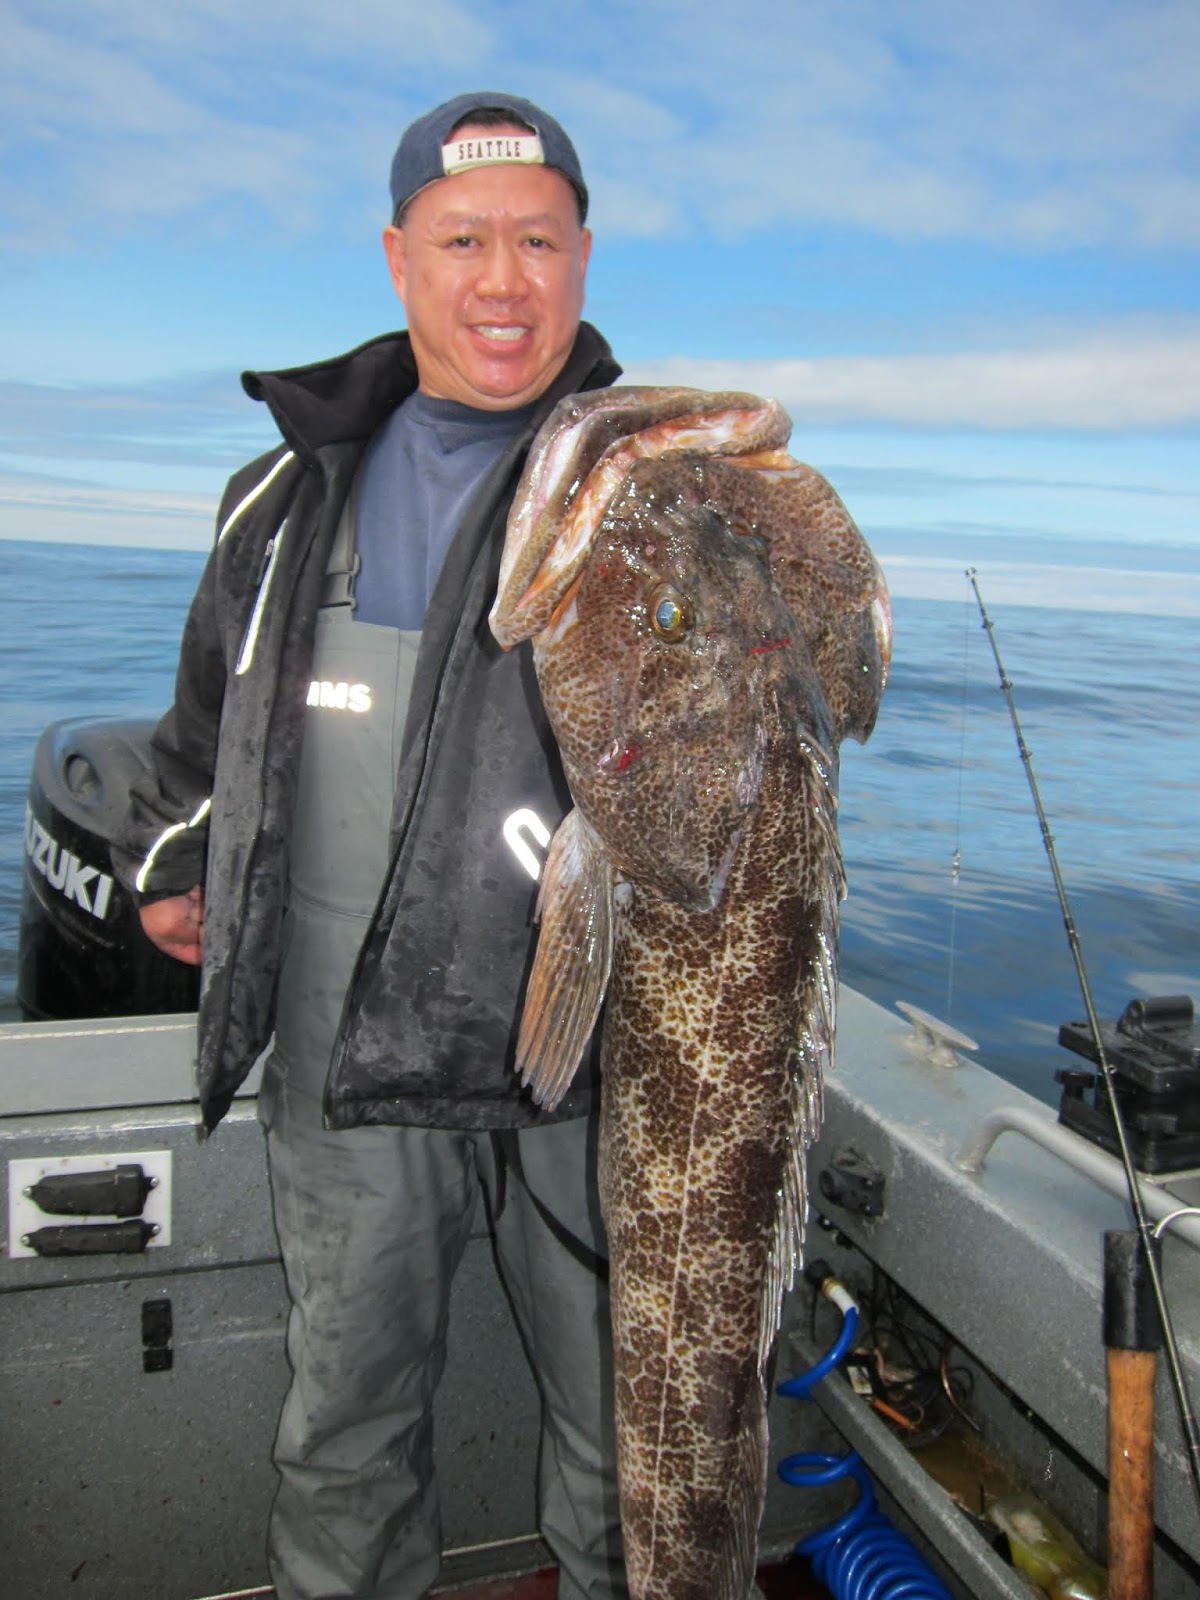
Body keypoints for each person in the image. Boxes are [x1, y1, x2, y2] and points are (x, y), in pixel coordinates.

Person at [111, 91, 627, 1600]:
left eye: (537, 240)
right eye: (464, 240)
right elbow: (202, 745)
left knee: (625, 1439)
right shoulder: (279, 494)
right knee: (343, 1430)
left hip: (589, 1068)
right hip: (341, 1059)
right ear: (398, 258)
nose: (502, 281)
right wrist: (174, 865)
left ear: (584, 259)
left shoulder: (652, 489)